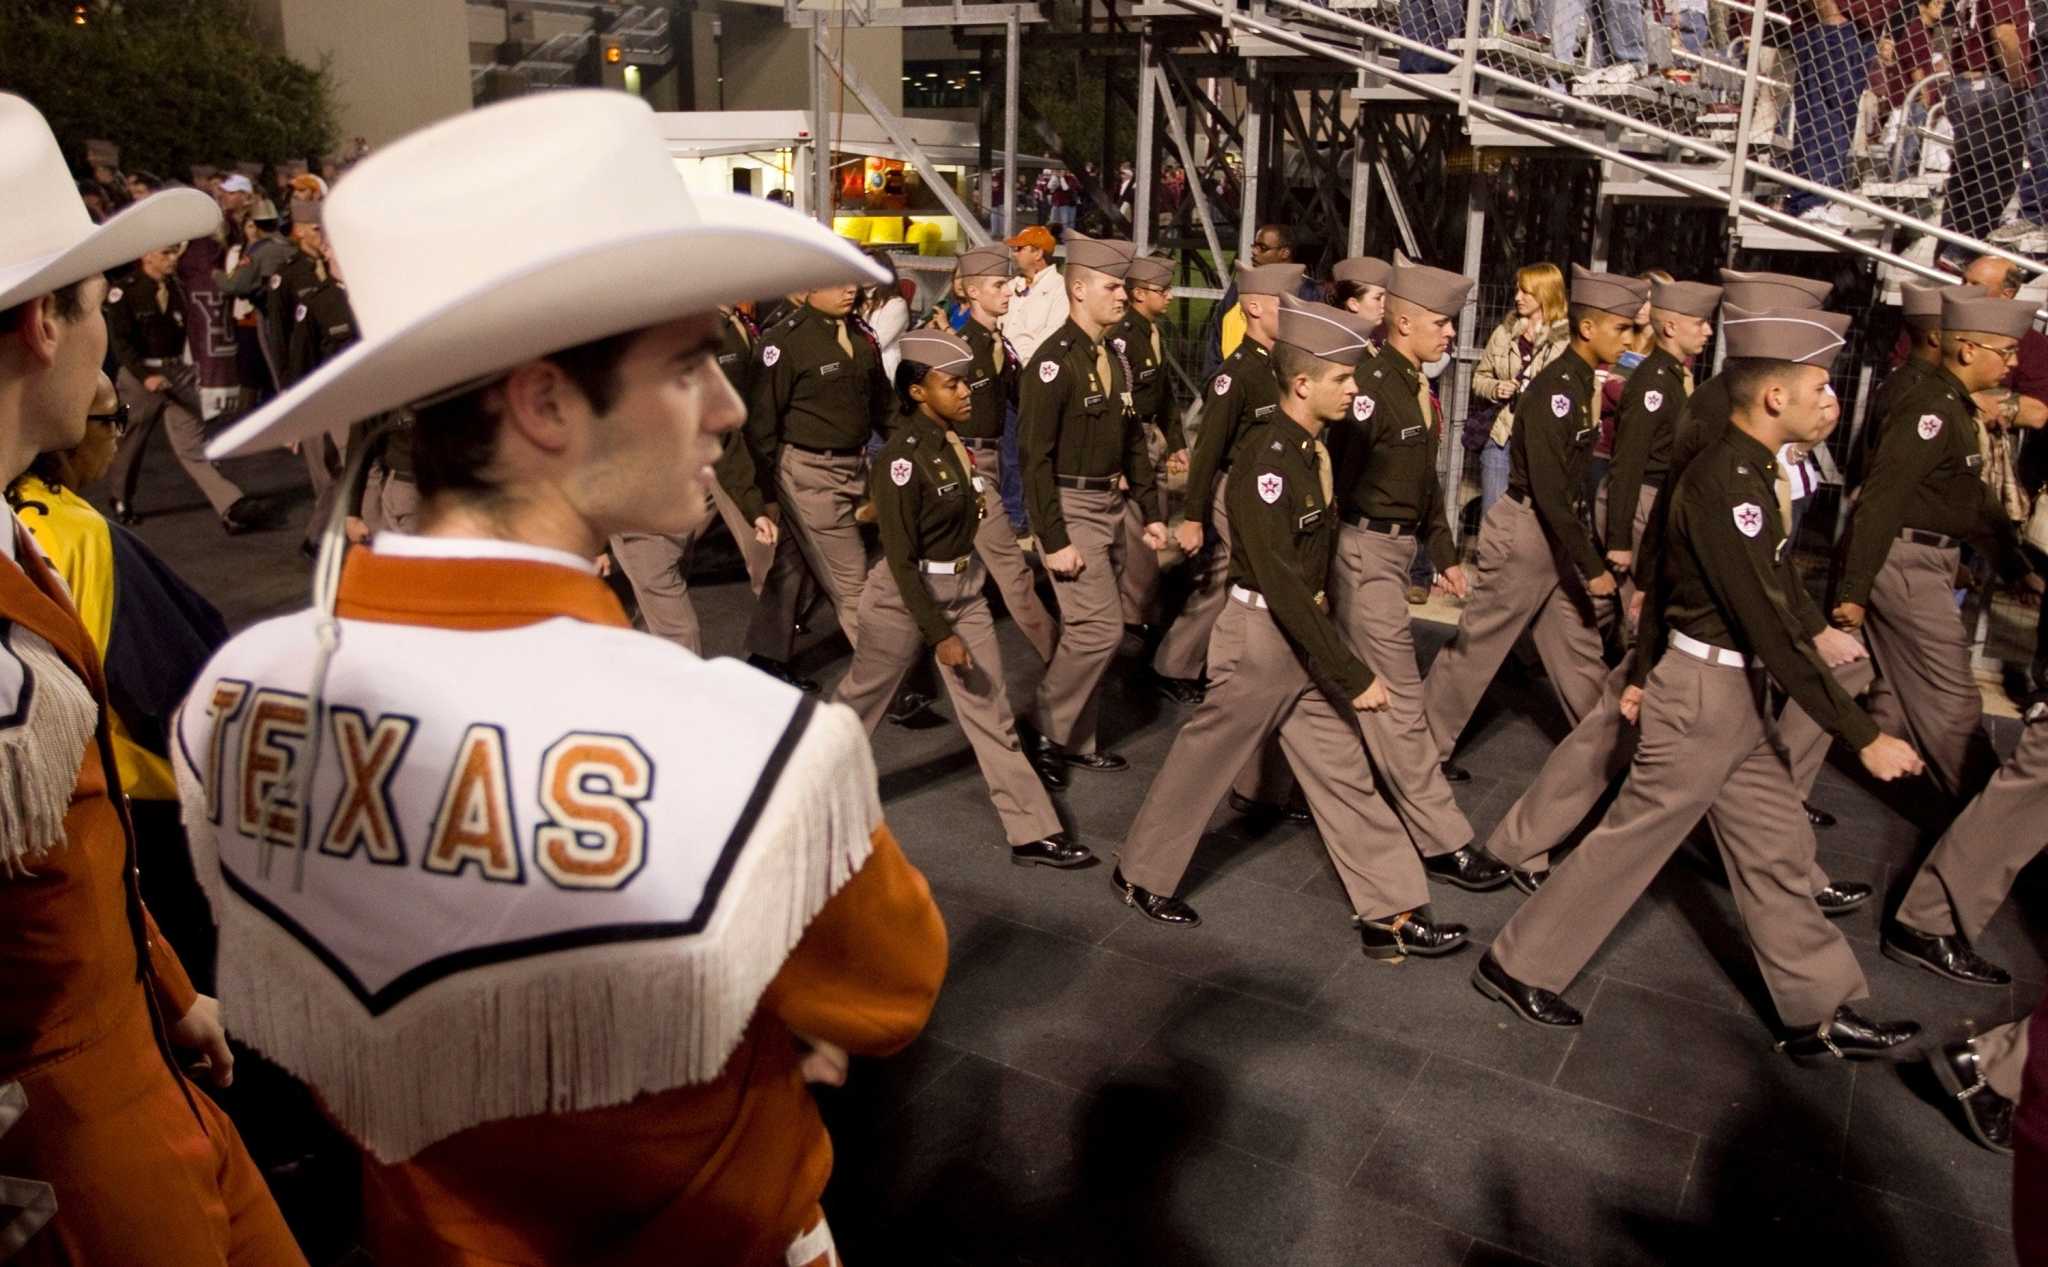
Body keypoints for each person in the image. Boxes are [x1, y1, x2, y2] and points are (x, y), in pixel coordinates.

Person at [175, 90, 946, 1266]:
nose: (730, 409)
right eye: (688, 364)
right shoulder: (740, 741)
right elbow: (891, 996)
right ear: (541, 401)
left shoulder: (232, 696)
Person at [0, 90, 305, 1265]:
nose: (106, 342)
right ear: (39, 325)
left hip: (136, 1065)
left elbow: (66, 857)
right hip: (81, 1147)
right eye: (93, 310)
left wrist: (169, 991)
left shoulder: (31, 535)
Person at [1473, 303, 1927, 1063]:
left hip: (1735, 696)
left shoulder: (1752, 472)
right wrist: (1863, 735)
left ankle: (1819, 1009)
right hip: (1708, 695)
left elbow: (1726, 586)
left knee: (1776, 849)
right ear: (1774, 397)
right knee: (1631, 841)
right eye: (1820, 386)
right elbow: (1758, 617)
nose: (1831, 402)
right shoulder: (1731, 485)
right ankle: (1515, 964)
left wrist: (1651, 668)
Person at [1482, 277, 1879, 907]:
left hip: (1726, 616)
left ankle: (1795, 880)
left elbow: (1770, 546)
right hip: (1692, 613)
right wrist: (1648, 592)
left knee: (1688, 749)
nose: (1822, 386)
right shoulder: (1723, 410)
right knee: (1613, 729)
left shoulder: (1764, 413)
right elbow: (1676, 510)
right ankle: (1515, 845)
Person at [1110, 296, 1469, 963]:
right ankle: (1139, 872)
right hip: (1260, 641)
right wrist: (1352, 671)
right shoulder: (1270, 462)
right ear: (1304, 383)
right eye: (1342, 379)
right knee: (1202, 763)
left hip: (1295, 641)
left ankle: (1390, 911)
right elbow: (1279, 582)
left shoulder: (1306, 449)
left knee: (1344, 772)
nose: (1354, 388)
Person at [836, 328, 1088, 867]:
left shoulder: (950, 442)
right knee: (859, 705)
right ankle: (791, 786)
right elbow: (901, 563)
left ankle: (1031, 831)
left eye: (966, 383)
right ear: (917, 392)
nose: (966, 392)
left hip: (964, 591)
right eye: (952, 385)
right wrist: (941, 634)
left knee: (990, 708)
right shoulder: (901, 459)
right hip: (906, 599)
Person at [1327, 266, 1512, 891]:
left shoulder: (1410, 385)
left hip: (1393, 550)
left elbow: (1425, 482)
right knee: (1401, 699)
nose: (1450, 334)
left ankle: (1264, 786)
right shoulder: (1370, 387)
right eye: (1440, 322)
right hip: (1362, 551)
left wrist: (1444, 554)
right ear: (1402, 322)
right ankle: (1443, 840)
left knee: (1309, 690)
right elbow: (1335, 485)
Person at [1422, 265, 1646, 779]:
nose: (1629, 338)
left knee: (1578, 650)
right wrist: (1592, 565)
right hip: (1528, 534)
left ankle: (1614, 758)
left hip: (1554, 538)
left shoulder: (1579, 381)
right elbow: (1549, 489)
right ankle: (1418, 754)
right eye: (1621, 327)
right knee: (1477, 651)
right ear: (1588, 329)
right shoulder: (1557, 390)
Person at [1833, 290, 2035, 815]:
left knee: (1871, 687)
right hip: (1905, 566)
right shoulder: (1931, 409)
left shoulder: (1952, 405)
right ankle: (1987, 821)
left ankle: (1770, 773)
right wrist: (1852, 592)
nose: (2014, 364)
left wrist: (2013, 565)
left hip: (1922, 561)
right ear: (1967, 350)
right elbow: (1882, 500)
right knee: (1952, 703)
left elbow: (1971, 503)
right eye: (2006, 351)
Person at [1018, 232, 1167, 775]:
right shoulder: (1053, 363)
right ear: (1078, 290)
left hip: (1107, 504)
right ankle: (1042, 730)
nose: (1122, 296)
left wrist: (1152, 513)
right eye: (1111, 286)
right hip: (1071, 505)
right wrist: (1052, 540)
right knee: (1099, 628)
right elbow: (1033, 457)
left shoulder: (1111, 357)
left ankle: (1076, 740)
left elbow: (1131, 443)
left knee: (1094, 630)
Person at [1151, 260, 1306, 706]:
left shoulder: (1278, 366)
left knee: (1234, 578)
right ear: (1254, 307)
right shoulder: (1236, 375)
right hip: (1233, 485)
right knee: (1227, 577)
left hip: (1263, 488)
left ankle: (1204, 662)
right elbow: (1209, 452)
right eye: (1284, 305)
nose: (1292, 313)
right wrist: (1194, 517)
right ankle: (1177, 663)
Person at [743, 275, 891, 685]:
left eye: (853, 282)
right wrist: (766, 495)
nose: (851, 289)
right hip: (808, 471)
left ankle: (766, 655)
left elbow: (883, 405)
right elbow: (761, 425)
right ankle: (885, 679)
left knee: (792, 564)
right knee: (852, 580)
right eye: (837, 282)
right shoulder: (784, 341)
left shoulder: (860, 334)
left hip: (855, 467)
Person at [609, 303, 780, 656]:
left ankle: (634, 683)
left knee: (652, 617)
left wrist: (754, 510)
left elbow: (725, 438)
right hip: (639, 524)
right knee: (679, 632)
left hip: (680, 515)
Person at [101, 243, 262, 531]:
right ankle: (120, 498)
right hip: (141, 377)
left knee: (192, 442)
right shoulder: (124, 292)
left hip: (175, 371)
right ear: (147, 255)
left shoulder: (176, 287)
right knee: (131, 444)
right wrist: (145, 375)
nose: (173, 259)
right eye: (166, 254)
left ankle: (230, 505)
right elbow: (121, 344)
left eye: (175, 253)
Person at [1598, 277, 1720, 622]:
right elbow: (1628, 460)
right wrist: (1619, 538)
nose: (1708, 331)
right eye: (1700, 322)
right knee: (1638, 616)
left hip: (1655, 499)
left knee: (1614, 614)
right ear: (1670, 326)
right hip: (1641, 501)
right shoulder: (1653, 382)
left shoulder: (1672, 377)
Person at [1110, 252, 1177, 634]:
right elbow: (1122, 402)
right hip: (1134, 440)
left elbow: (1164, 392)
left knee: (1156, 522)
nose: (1169, 296)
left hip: (1152, 437)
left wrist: (1177, 440)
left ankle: (1141, 607)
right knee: (1140, 534)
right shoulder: (1124, 337)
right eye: (1161, 290)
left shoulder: (1151, 331)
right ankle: (1133, 617)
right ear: (1138, 294)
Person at [1470, 263, 1569, 516]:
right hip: (1502, 437)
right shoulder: (1503, 332)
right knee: (1493, 517)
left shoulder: (1565, 340)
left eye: (1526, 292)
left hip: (1541, 443)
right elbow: (1479, 378)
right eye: (1517, 290)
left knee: (1533, 520)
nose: (1517, 297)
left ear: (1546, 293)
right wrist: (1496, 388)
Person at [1938, 0, 2032, 263]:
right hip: (1992, 85)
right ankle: (1959, 254)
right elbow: (2004, 36)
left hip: (1964, 85)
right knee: (1997, 173)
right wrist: (2019, 82)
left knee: (1966, 177)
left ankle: (1949, 250)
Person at [1785, 0, 1877, 228]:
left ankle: (1823, 197)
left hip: (1860, 29)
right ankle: (1810, 201)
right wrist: (1830, 16)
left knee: (1841, 119)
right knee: (1823, 114)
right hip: (1834, 26)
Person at [1000, 224, 1066, 366]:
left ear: (1038, 253)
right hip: (1002, 369)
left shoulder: (1060, 289)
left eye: (1019, 249)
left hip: (1030, 370)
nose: (1014, 253)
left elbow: (1051, 336)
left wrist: (1021, 365)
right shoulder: (1011, 286)